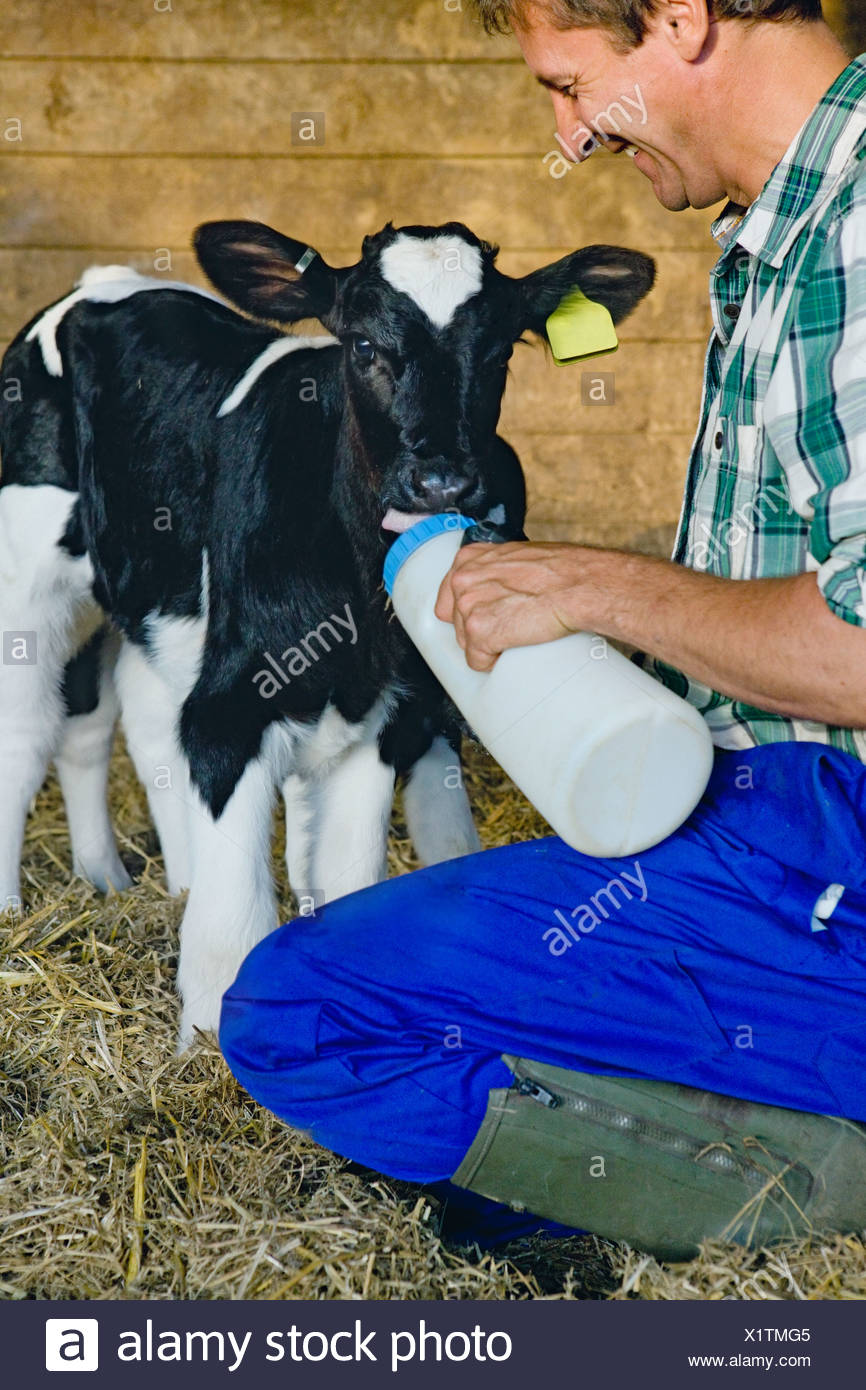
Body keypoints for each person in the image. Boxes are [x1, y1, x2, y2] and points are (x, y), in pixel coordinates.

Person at [219, 0, 866, 1259]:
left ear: (677, 18)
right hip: (770, 819)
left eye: (568, 85)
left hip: (823, 847)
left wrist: (596, 587)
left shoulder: (856, 230)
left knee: (304, 1009)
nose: (566, 138)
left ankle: (798, 1181)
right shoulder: (788, 229)